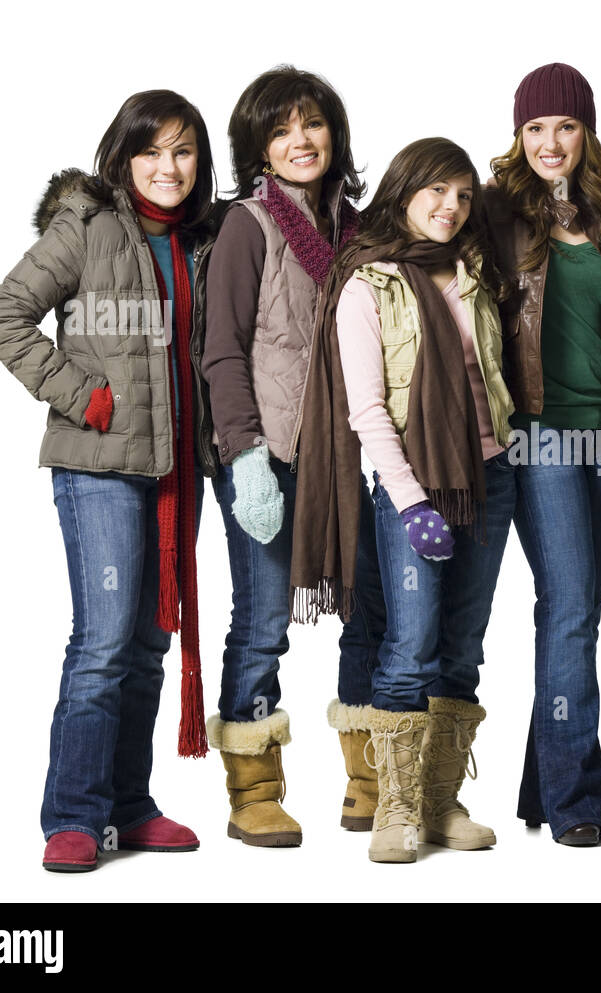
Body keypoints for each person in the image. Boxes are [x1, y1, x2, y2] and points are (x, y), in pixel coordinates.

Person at [0, 90, 218, 871]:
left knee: (151, 638)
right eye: (152, 151)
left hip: (178, 465)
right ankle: (74, 813)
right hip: (101, 468)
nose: (167, 167)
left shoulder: (199, 241)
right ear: (122, 156)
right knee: (104, 638)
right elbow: (4, 316)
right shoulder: (84, 226)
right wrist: (83, 396)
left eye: (182, 151)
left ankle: (128, 803)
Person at [293, 137, 515, 864]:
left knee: (463, 646)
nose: (451, 207)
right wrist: (413, 500)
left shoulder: (476, 270)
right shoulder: (369, 283)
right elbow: (366, 410)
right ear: (403, 193)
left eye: (461, 195)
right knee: (409, 645)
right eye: (435, 193)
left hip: (489, 476)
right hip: (410, 488)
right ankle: (394, 804)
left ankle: (440, 801)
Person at [201, 65, 386, 848]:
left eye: (311, 124)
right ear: (259, 148)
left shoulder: (360, 225)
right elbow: (221, 352)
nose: (300, 140)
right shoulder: (251, 224)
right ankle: (254, 790)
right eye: (280, 130)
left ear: (334, 133)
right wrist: (243, 455)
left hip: (345, 454)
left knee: (371, 609)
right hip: (266, 453)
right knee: (264, 617)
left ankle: (370, 777)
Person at [483, 63, 601, 847]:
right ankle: (578, 798)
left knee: (578, 614)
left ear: (586, 134)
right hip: (540, 435)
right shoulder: (492, 212)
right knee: (571, 610)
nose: (551, 142)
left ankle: (544, 780)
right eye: (537, 128)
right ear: (519, 135)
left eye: (566, 127)